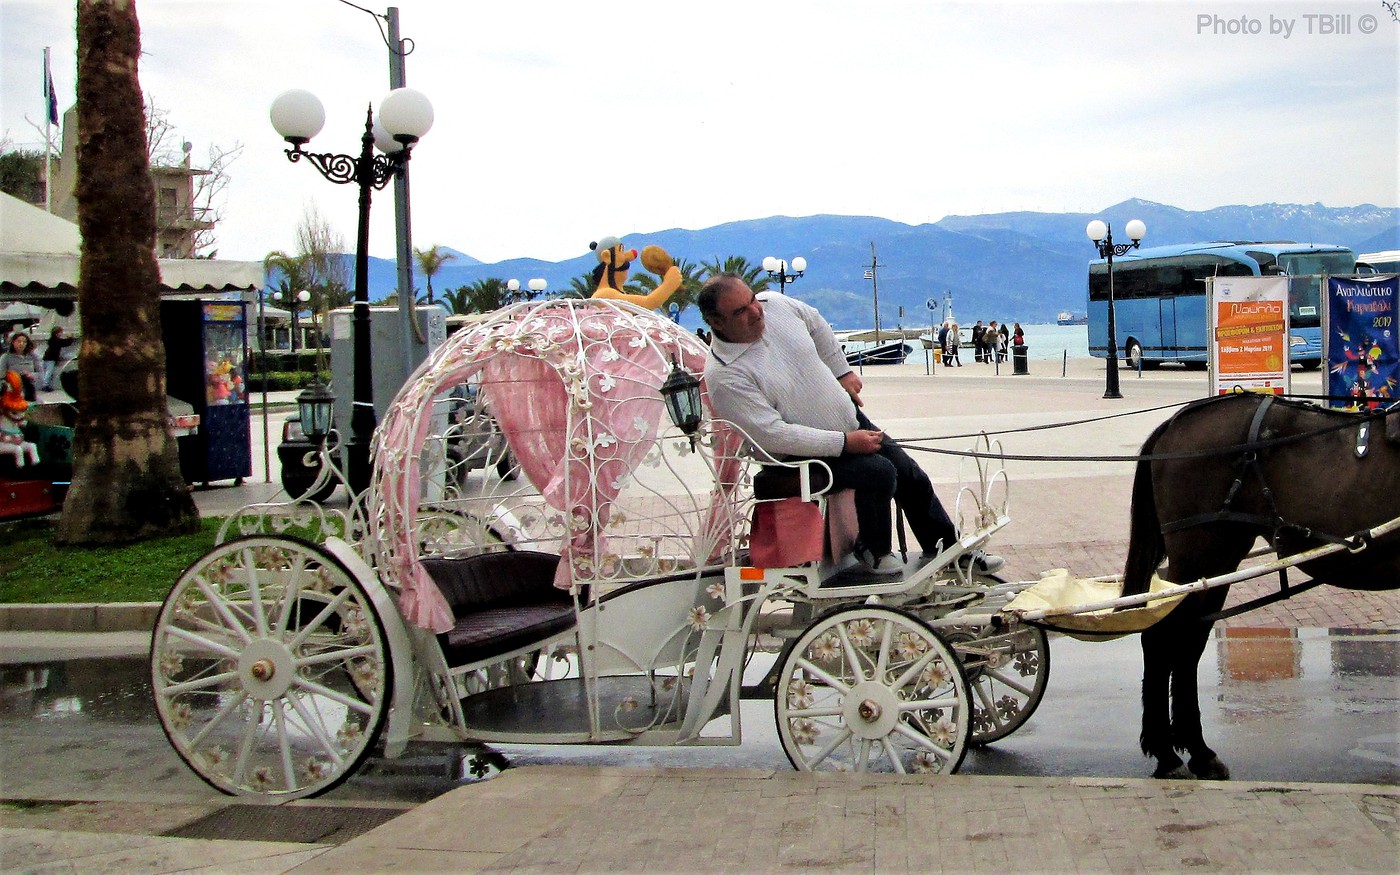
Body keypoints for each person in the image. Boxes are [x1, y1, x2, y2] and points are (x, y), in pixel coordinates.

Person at [698, 275, 1002, 575]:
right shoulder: (724, 375)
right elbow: (772, 434)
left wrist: (841, 371)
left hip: (849, 422)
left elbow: (816, 323)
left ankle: (946, 549)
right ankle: (872, 549)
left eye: (752, 299)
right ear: (716, 322)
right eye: (740, 311)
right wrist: (844, 443)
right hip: (797, 458)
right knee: (879, 472)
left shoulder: (774, 304)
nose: (756, 311)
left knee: (910, 474)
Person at [0, 332, 41, 401]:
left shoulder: (33, 356)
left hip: (30, 389)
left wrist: (31, 375)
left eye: (24, 342)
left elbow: (40, 373)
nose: (21, 344)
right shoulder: (6, 357)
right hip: (13, 390)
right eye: (19, 341)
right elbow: (1, 376)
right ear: (13, 342)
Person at [41, 326, 74, 391]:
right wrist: (70, 338)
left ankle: (45, 385)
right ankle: (45, 386)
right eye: (60, 332)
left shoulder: (52, 340)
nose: (61, 334)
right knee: (49, 372)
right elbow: (66, 343)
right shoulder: (55, 340)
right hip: (50, 359)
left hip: (47, 358)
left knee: (47, 372)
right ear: (56, 333)